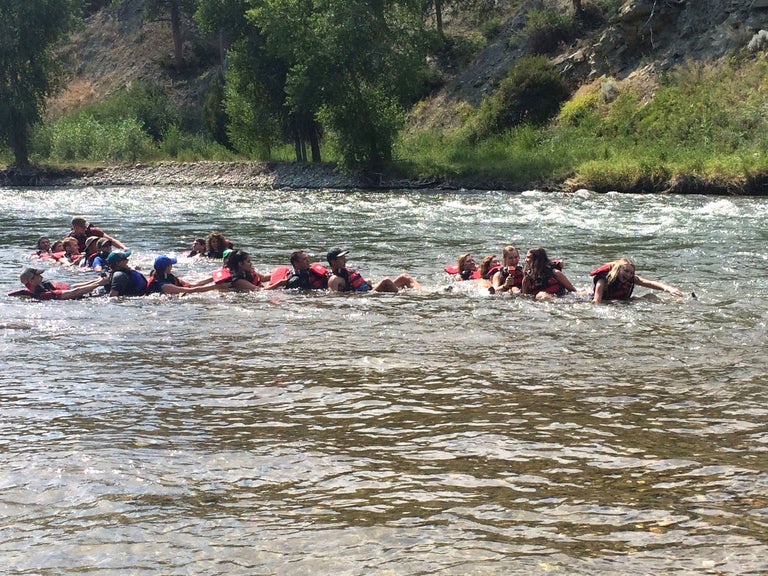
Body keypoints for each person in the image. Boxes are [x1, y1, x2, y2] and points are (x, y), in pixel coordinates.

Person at [326, 247, 419, 293]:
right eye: (341, 258)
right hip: (367, 296)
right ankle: (403, 298)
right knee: (386, 281)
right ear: (333, 262)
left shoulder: (345, 272)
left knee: (404, 277)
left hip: (370, 290)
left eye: (344, 257)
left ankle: (423, 294)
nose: (345, 260)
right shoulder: (334, 279)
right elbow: (334, 298)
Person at [591, 257, 683, 303]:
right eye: (626, 271)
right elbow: (596, 301)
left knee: (650, 296)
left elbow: (650, 283)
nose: (629, 275)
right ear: (618, 269)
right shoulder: (603, 280)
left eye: (631, 273)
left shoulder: (631, 279)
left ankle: (673, 301)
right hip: (604, 301)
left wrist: (669, 289)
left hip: (621, 302)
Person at [13, 267, 108, 300]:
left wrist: (98, 280)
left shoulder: (44, 286)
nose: (41, 276)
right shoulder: (44, 295)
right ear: (31, 281)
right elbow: (74, 292)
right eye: (38, 275)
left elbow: (72, 286)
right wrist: (98, 284)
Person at [146, 255, 221, 296]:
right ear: (168, 267)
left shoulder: (164, 276)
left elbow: (192, 285)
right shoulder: (164, 286)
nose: (172, 266)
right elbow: (192, 290)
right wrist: (216, 287)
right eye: (171, 264)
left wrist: (214, 278)